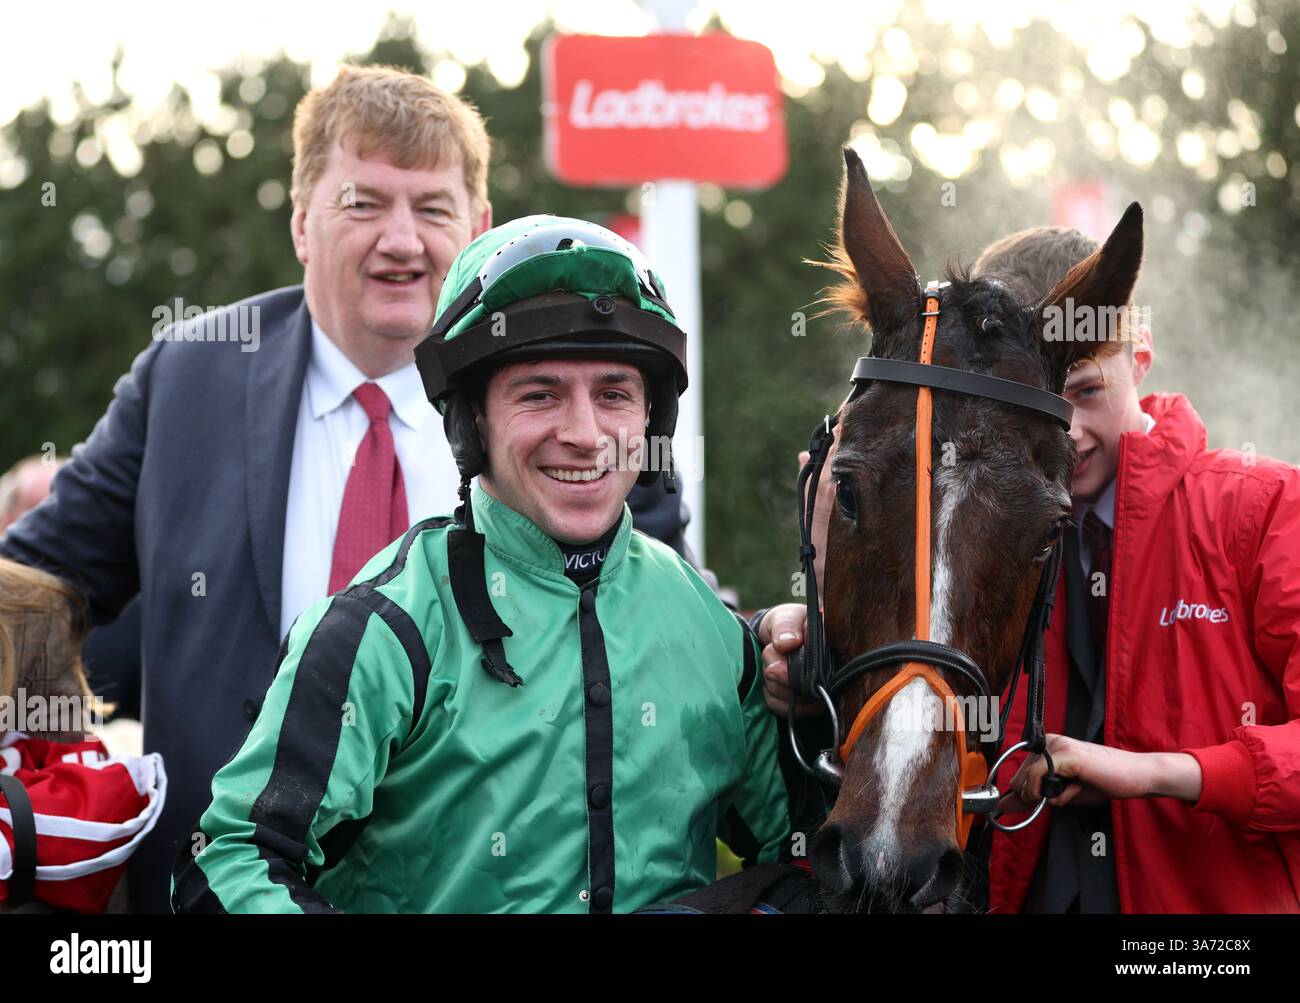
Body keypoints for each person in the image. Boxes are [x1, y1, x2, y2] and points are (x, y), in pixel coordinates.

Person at [171, 215, 793, 913]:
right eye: (539, 393)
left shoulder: (709, 627)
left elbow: (808, 856)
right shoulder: (381, 628)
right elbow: (230, 859)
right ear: (474, 421)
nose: (585, 434)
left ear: (650, 418)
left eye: (614, 393)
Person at [0, 65, 493, 913]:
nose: (403, 240)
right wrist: (51, 766)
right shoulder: (187, 378)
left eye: (433, 208)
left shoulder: (551, 403)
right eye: (364, 203)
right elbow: (39, 585)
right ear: (302, 222)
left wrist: (780, 646)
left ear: (480, 227)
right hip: (210, 894)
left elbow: (656, 614)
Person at [761, 223, 1300, 914]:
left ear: (1140, 357)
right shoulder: (961, 533)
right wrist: (805, 657)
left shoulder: (1267, 507)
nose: (1063, 431)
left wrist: (1155, 773)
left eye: (1082, 389)